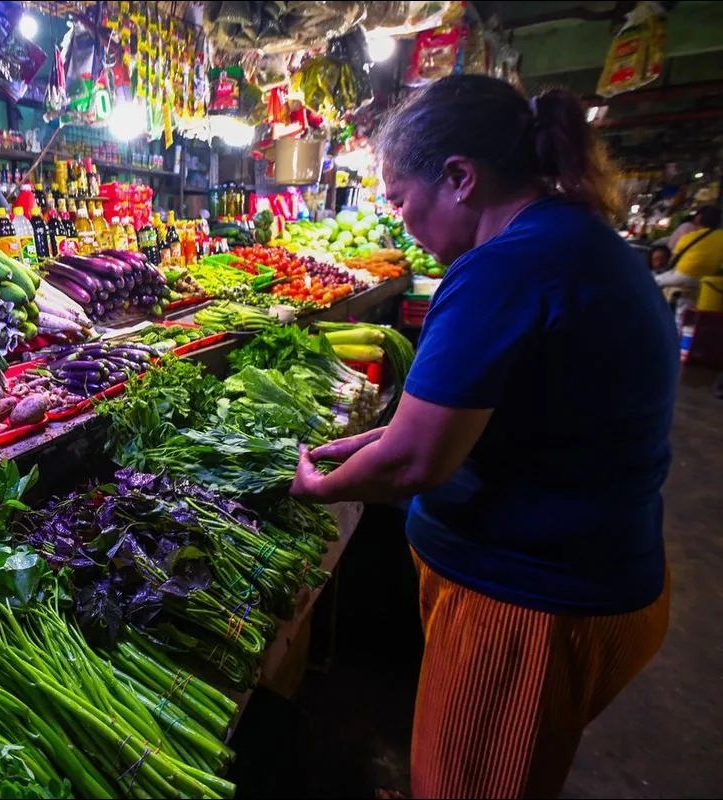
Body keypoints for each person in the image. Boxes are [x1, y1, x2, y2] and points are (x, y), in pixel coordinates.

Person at [290, 75, 677, 800]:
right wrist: (365, 445)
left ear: (460, 179)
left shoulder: (504, 269)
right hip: (592, 575)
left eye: (402, 201)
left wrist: (318, 488)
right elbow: (472, 423)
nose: (403, 223)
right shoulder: (576, 240)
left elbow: (412, 460)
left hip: (529, 607)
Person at [656, 205, 723, 321]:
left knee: (652, 281)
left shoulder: (688, 237)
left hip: (682, 276)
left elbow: (673, 257)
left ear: (698, 219)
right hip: (704, 282)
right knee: (686, 302)